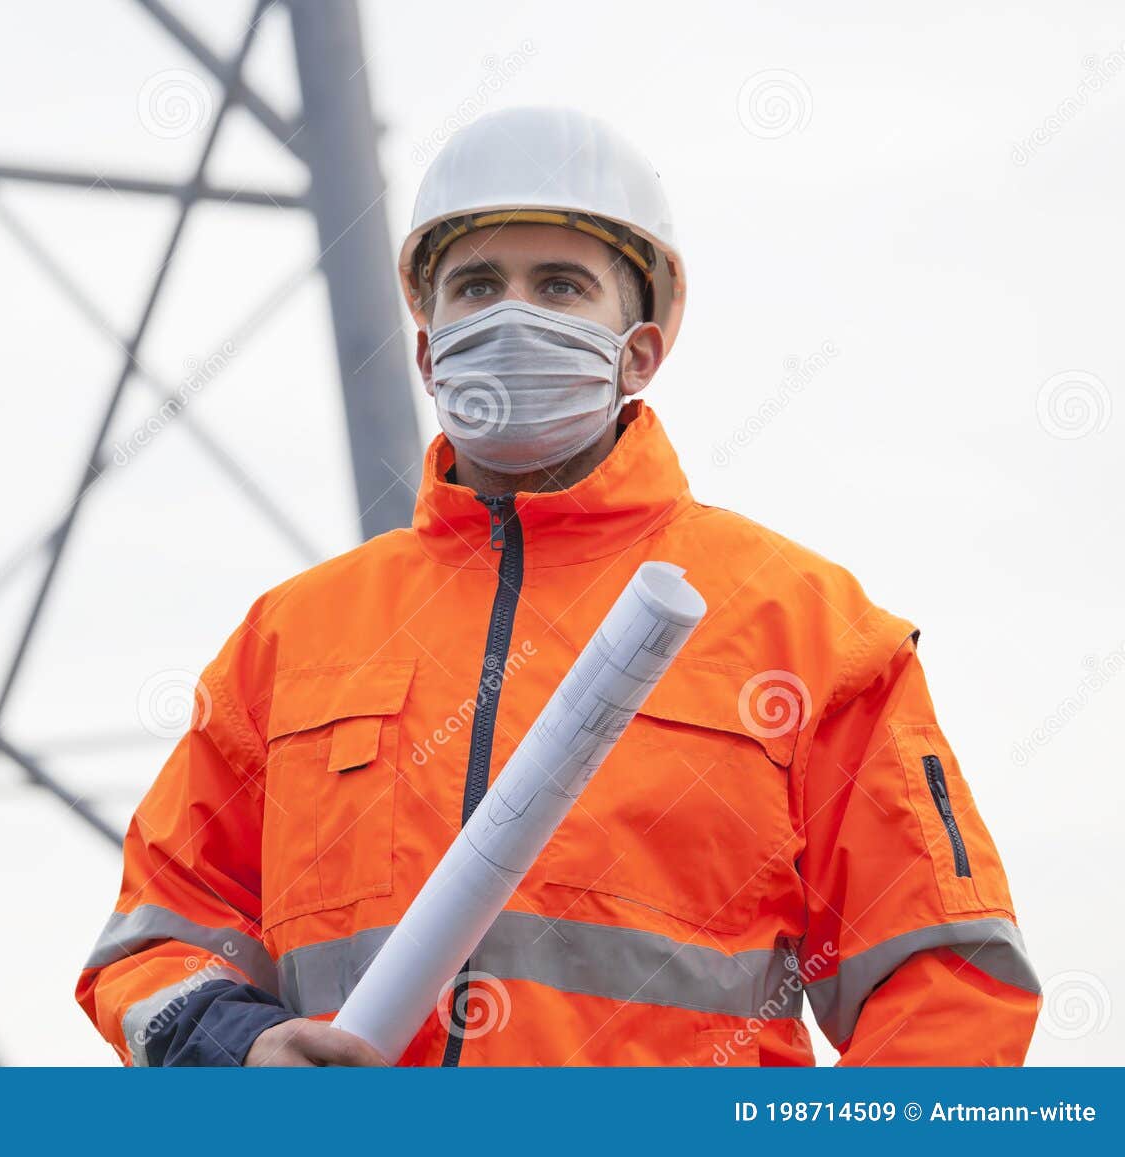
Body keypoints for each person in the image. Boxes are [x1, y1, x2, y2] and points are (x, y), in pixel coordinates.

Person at [75, 106, 1040, 1066]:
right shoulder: (291, 638)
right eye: (478, 285)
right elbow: (158, 941)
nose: (512, 316)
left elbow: (944, 982)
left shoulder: (805, 629)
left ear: (641, 352)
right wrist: (244, 1052)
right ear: (426, 350)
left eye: (562, 286)